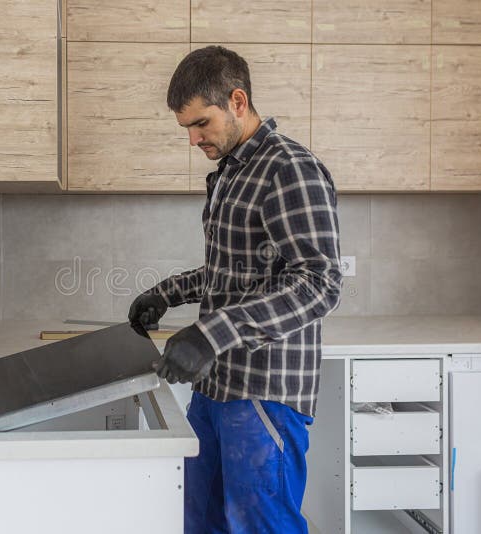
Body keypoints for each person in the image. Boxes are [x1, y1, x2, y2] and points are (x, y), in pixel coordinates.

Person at [128, 45, 342, 534]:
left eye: (201, 123)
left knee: (260, 526)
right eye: (186, 128)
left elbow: (319, 282)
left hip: (264, 392)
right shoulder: (232, 172)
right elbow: (232, 270)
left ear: (238, 102)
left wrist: (210, 334)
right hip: (218, 385)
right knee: (197, 519)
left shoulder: (288, 168)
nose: (193, 139)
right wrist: (167, 293)